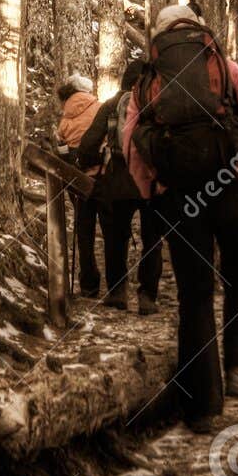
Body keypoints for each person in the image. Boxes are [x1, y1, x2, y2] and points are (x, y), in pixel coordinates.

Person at [122, 3, 238, 434]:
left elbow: (132, 144)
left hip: (180, 196)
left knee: (195, 292)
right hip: (235, 185)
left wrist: (151, 189)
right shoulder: (225, 66)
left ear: (160, 36)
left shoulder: (147, 81)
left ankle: (203, 407)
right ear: (198, 29)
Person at [75, 59, 165, 314]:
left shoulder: (112, 104)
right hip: (150, 181)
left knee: (116, 237)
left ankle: (117, 292)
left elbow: (88, 144)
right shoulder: (158, 102)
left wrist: (89, 163)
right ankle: (148, 295)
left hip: (117, 179)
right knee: (152, 239)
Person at [54, 75, 103, 298]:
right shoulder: (100, 108)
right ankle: (116, 283)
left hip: (77, 177)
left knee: (84, 231)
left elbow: (61, 145)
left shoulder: (65, 117)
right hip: (102, 176)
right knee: (112, 229)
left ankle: (88, 283)